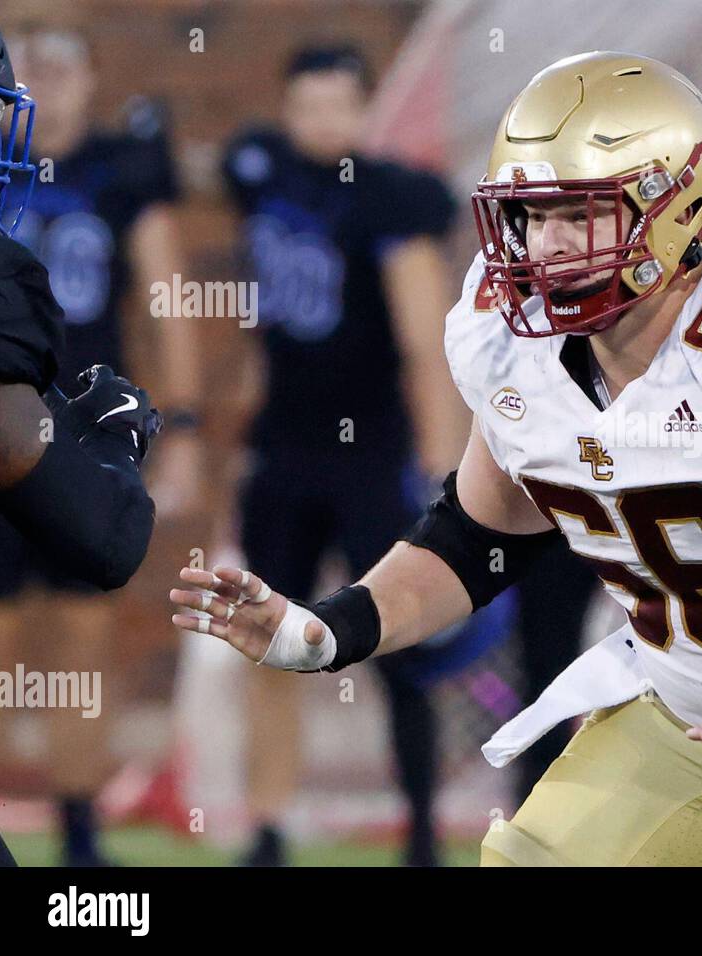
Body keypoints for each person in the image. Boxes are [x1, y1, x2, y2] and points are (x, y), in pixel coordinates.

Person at [172, 51, 702, 867]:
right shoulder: (508, 337)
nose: (546, 248)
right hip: (692, 721)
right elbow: (476, 535)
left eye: (580, 215)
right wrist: (330, 629)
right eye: (531, 215)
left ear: (675, 208)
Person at [218, 43, 460, 866]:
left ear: (364, 110)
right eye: (309, 105)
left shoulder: (392, 197)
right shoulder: (265, 177)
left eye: (338, 105)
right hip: (284, 454)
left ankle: (421, 827)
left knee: (396, 644)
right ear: (288, 109)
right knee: (264, 639)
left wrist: (440, 474)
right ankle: (268, 826)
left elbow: (424, 344)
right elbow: (262, 333)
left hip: (370, 459)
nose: (323, 122)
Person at [0, 22, 196, 867]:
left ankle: (79, 832)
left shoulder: (119, 173)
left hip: (68, 433)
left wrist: (183, 424)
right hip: (12, 427)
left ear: (92, 77)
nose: (44, 78)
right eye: (30, 61)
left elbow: (168, 296)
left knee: (81, 646)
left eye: (61, 62)